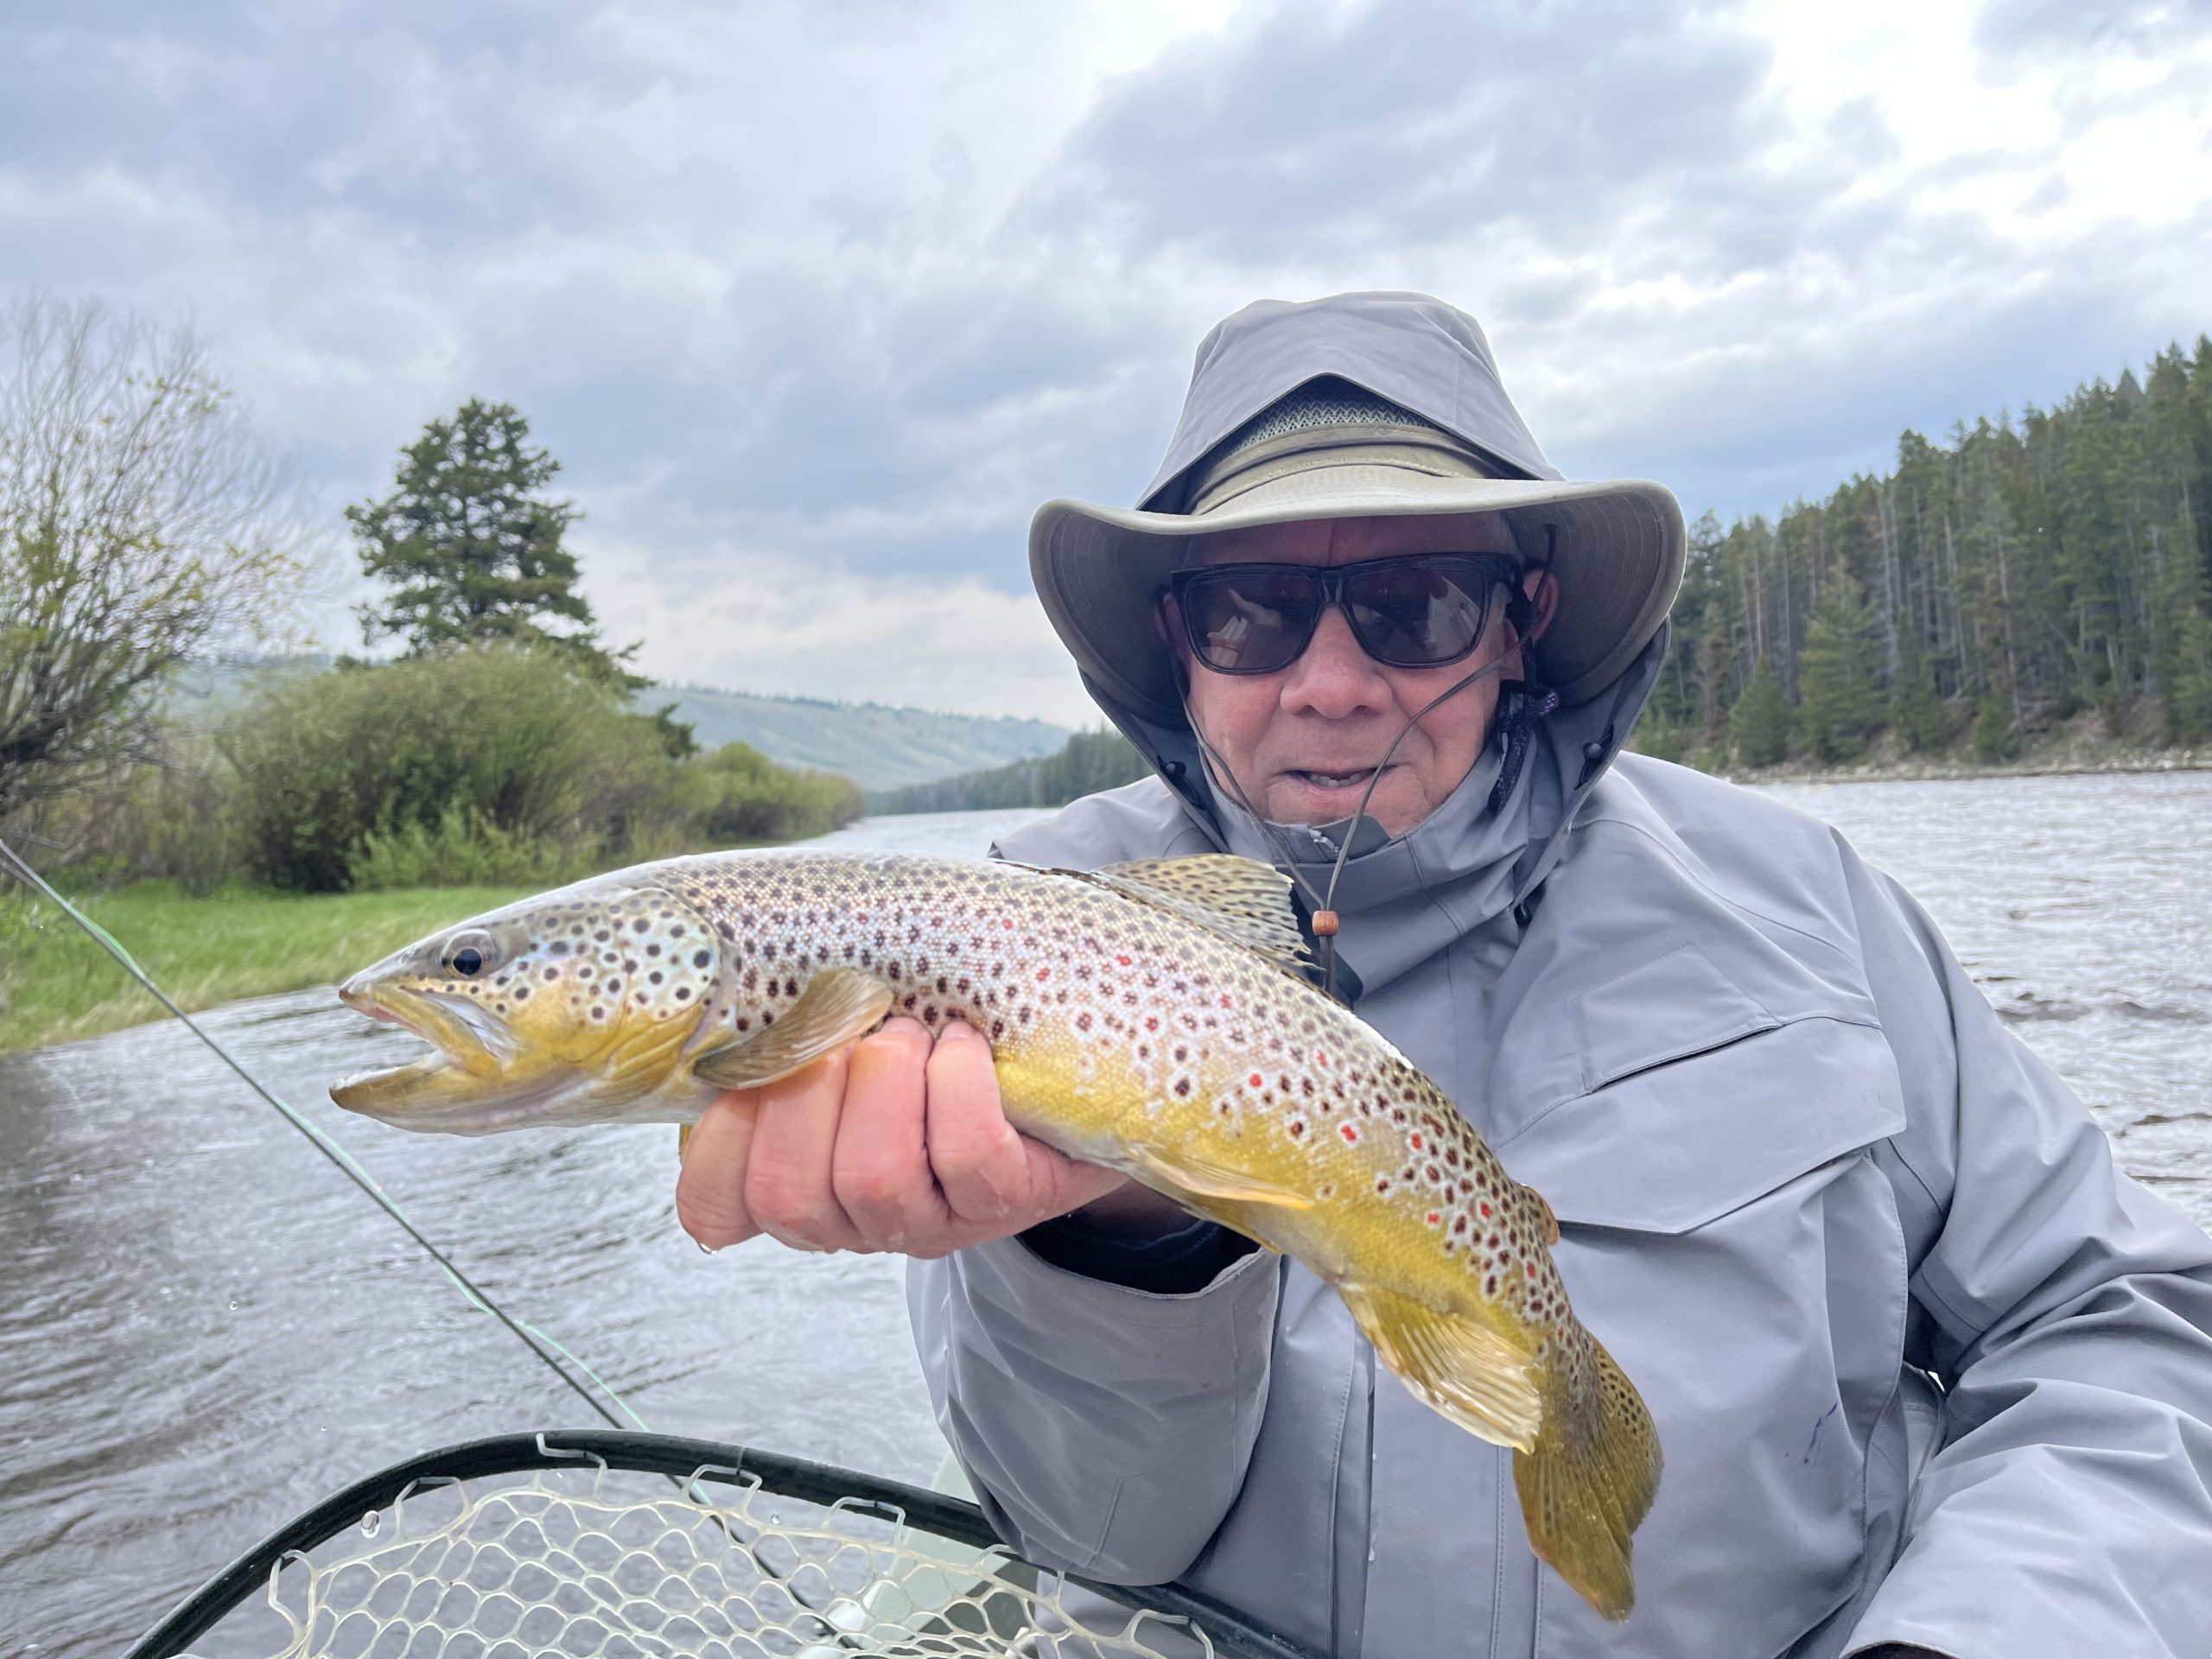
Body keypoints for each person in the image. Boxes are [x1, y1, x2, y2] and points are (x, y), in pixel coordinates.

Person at [676, 292, 2212, 1657]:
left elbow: (2119, 1316)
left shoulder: (1806, 903)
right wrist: (1122, 1241)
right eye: (1251, 613)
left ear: (1520, 621)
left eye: (1415, 606)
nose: (1333, 683)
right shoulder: (1018, 939)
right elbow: (1088, 1534)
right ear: (1176, 639)